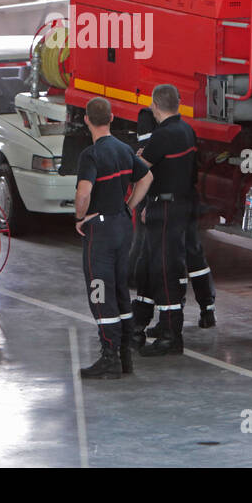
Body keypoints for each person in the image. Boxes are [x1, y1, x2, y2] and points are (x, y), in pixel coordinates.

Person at [74, 96, 151, 379]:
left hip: (101, 231)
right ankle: (124, 355)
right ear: (111, 118)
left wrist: (80, 217)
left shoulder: (91, 156)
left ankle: (109, 357)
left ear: (86, 120)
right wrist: (128, 207)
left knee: (99, 290)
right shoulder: (124, 149)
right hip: (122, 225)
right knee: (119, 289)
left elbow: (83, 193)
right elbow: (146, 178)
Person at [131, 85, 199, 357]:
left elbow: (141, 171)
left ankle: (172, 334)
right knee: (149, 264)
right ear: (178, 103)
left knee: (163, 269)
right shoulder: (187, 130)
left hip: (165, 208)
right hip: (178, 205)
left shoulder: (161, 136)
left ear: (155, 106)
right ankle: (149, 322)